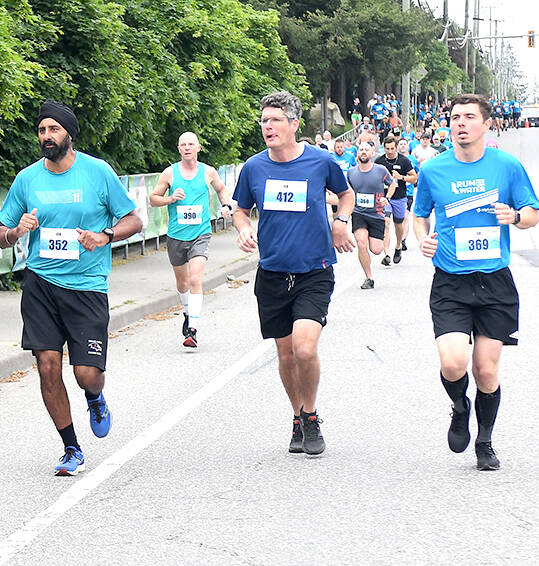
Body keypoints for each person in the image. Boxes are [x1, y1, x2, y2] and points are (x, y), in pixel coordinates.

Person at [0, 100, 142, 475]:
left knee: (85, 373)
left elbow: (134, 220)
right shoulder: (27, 179)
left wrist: (104, 235)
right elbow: (0, 234)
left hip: (87, 285)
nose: (46, 137)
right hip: (41, 283)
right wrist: (15, 231)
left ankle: (94, 396)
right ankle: (71, 447)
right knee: (46, 366)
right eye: (42, 130)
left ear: (69, 134)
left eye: (53, 130)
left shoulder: (97, 172)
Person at [414, 94, 539, 471]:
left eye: (469, 117)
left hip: (494, 281)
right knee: (454, 364)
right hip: (450, 280)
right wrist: (423, 237)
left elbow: (533, 214)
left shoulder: (507, 166)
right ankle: (458, 405)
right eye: (455, 117)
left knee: (486, 371)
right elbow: (421, 215)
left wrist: (515, 216)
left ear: (487, 124)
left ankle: (484, 439)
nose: (460, 123)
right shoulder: (434, 170)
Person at [232, 91, 355, 456]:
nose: (268, 127)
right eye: (264, 121)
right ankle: (297, 417)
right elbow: (241, 210)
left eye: (275, 120)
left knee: (304, 347)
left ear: (294, 124)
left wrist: (341, 221)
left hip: (313, 270)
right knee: (285, 355)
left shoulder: (320, 162)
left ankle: (312, 415)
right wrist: (242, 228)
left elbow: (345, 195)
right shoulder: (254, 167)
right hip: (272, 273)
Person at [148, 131, 233, 347]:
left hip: (200, 233)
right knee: (183, 282)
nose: (187, 147)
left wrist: (226, 206)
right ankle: (188, 313)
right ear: (179, 149)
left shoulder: (208, 172)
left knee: (195, 279)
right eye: (183, 144)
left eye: (190, 144)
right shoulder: (169, 173)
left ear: (198, 148)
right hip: (176, 235)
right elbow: (153, 199)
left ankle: (192, 329)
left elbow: (222, 189)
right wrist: (170, 198)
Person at [342, 134, 393, 289]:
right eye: (361, 150)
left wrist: (387, 198)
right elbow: (347, 192)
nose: (363, 152)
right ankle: (369, 277)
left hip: (376, 214)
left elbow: (392, 185)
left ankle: (382, 250)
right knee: (361, 243)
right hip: (359, 213)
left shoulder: (381, 170)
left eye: (366, 150)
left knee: (376, 250)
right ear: (357, 153)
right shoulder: (351, 173)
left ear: (372, 153)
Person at [375, 135, 417, 266]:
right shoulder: (379, 161)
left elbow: (414, 178)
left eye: (392, 148)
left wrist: (402, 177)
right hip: (384, 197)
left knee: (398, 225)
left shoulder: (404, 161)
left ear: (396, 147)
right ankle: (386, 254)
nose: (390, 151)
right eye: (387, 148)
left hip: (399, 197)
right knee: (386, 223)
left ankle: (398, 246)